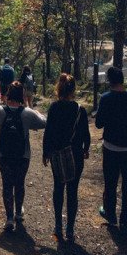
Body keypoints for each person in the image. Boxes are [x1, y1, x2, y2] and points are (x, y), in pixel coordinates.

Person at [0, 81, 46, 232]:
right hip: (22, 155)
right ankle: (19, 213)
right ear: (22, 96)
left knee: (7, 184)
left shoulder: (0, 112)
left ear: (8, 95)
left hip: (3, 154)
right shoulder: (27, 114)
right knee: (19, 183)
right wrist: (35, 112)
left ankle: (9, 218)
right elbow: (44, 123)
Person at [95, 66, 127, 234]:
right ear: (123, 80)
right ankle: (125, 219)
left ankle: (110, 215)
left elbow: (98, 124)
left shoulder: (106, 99)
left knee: (110, 182)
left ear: (109, 81)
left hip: (111, 147)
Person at [42, 73, 90, 243]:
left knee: (58, 187)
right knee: (72, 191)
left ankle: (57, 226)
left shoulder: (54, 108)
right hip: (75, 154)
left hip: (57, 153)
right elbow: (86, 134)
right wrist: (86, 149)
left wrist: (45, 152)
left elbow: (48, 132)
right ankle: (70, 229)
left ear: (59, 89)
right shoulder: (80, 110)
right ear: (73, 90)